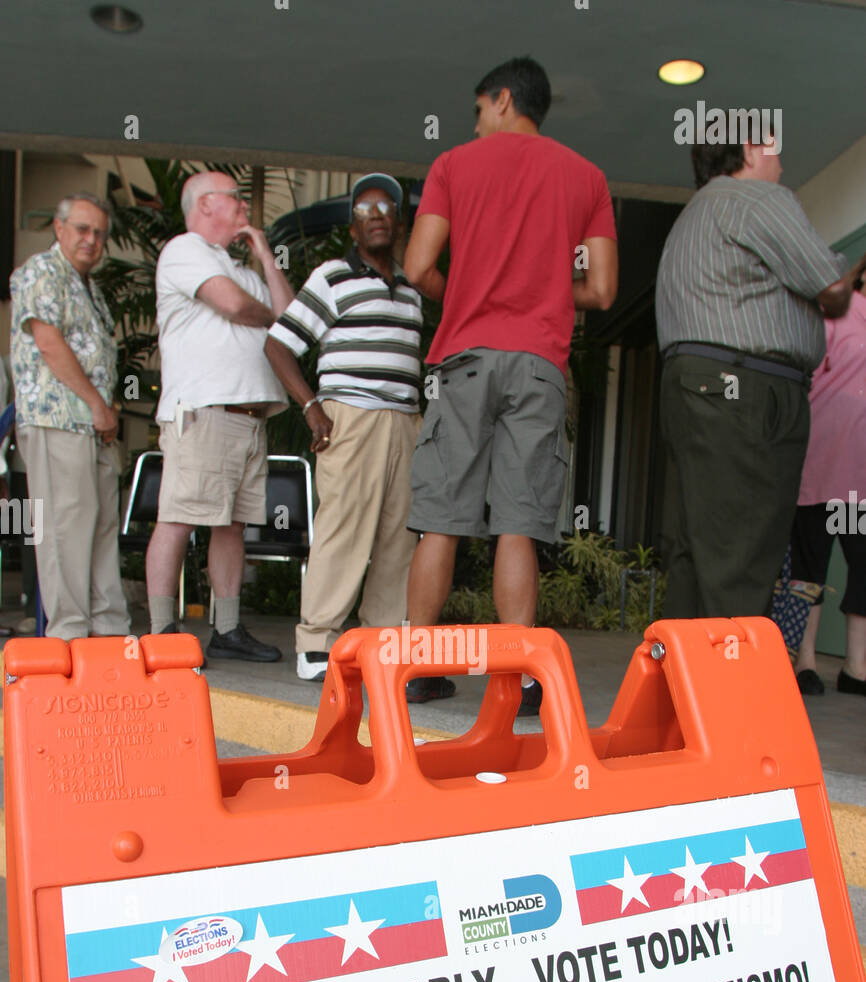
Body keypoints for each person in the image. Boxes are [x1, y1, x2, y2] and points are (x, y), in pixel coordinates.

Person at [402, 55, 617, 710]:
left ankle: (416, 666)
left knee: (441, 520)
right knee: (519, 522)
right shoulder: (586, 177)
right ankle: (519, 677)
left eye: (477, 111)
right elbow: (603, 289)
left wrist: (464, 294)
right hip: (539, 365)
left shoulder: (453, 168)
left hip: (463, 360)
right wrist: (548, 293)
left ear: (501, 100)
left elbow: (416, 268)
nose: (474, 127)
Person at [656, 134, 866, 622]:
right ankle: (731, 694)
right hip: (747, 391)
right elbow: (834, 290)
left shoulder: (694, 215)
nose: (780, 163)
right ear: (747, 152)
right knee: (743, 554)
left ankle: (683, 692)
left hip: (692, 386)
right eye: (773, 151)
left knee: (697, 550)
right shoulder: (758, 198)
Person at [265, 174, 423, 680]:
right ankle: (315, 644)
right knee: (343, 530)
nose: (375, 214)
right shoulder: (332, 276)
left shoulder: (413, 288)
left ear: (399, 222)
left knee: (398, 538)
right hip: (348, 418)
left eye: (386, 207)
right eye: (363, 208)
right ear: (353, 228)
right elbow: (278, 345)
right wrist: (311, 406)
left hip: (404, 422)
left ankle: (382, 646)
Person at [147, 171, 292, 661]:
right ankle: (161, 632)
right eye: (236, 198)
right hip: (204, 412)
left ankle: (226, 630)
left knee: (231, 525)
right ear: (206, 203)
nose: (245, 206)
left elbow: (289, 316)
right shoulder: (184, 249)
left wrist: (266, 258)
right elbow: (232, 305)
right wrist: (269, 314)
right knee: (179, 517)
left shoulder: (243, 269)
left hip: (249, 416)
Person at [10, 192, 130, 640]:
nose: (92, 240)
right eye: (82, 229)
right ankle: (70, 635)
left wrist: (105, 409)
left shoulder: (89, 285)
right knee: (65, 527)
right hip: (59, 418)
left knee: (99, 525)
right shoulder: (41, 272)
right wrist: (98, 405)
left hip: (94, 427)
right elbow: (48, 343)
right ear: (59, 229)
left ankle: (108, 630)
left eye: (99, 233)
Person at [790, 279, 866, 697]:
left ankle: (857, 668)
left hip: (860, 476)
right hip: (822, 460)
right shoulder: (839, 308)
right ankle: (805, 661)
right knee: (810, 565)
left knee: (863, 562)